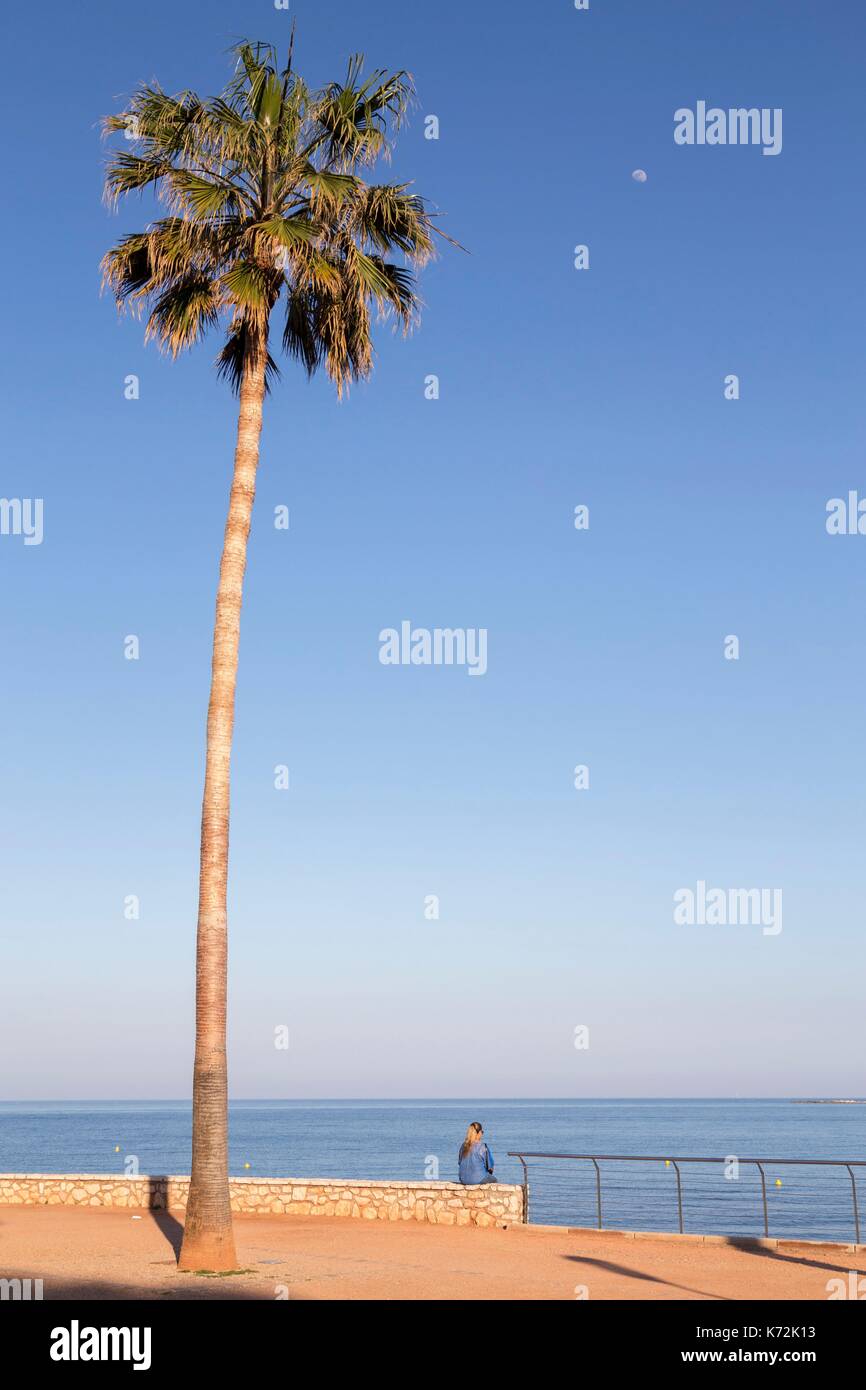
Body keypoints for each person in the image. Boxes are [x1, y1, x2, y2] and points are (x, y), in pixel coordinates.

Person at [457, 1121, 496, 1185]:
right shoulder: (482, 1147)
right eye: (482, 1132)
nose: (482, 1134)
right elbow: (490, 1167)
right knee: (494, 1180)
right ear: (479, 1133)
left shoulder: (463, 1146)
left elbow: (460, 1163)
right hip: (478, 1179)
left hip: (463, 1179)